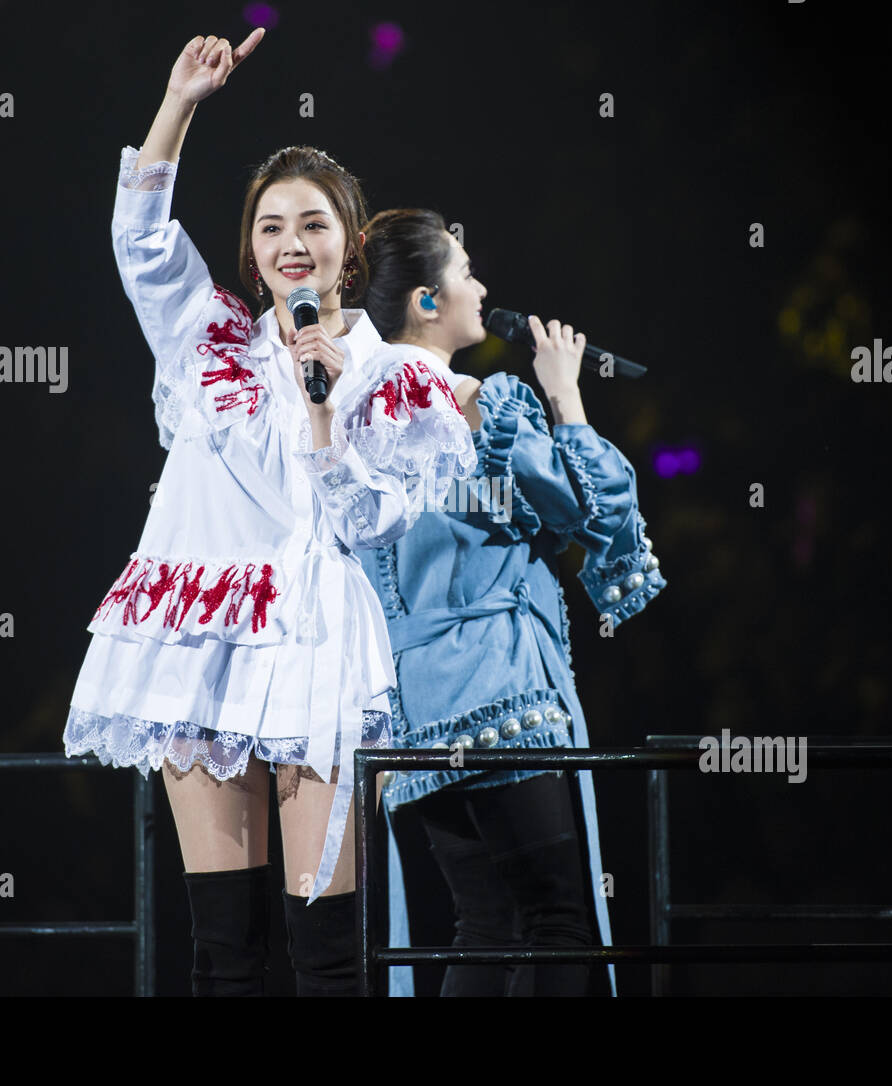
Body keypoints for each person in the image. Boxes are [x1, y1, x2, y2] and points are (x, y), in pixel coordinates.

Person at [63, 33, 475, 996]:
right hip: (198, 636)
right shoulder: (208, 339)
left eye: (315, 225)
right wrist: (180, 100)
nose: (293, 242)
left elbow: (374, 524)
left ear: (351, 244)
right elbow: (143, 240)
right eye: (273, 226)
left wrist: (327, 411)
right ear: (251, 250)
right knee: (223, 951)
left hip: (312, 649)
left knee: (328, 952)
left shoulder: (392, 377)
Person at [357, 209, 667, 996]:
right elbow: (585, 513)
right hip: (499, 690)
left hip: (413, 708)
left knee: (484, 922)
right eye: (466, 272)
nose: (482, 287)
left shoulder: (353, 408)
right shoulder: (478, 402)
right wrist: (565, 397)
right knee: (557, 921)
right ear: (427, 300)